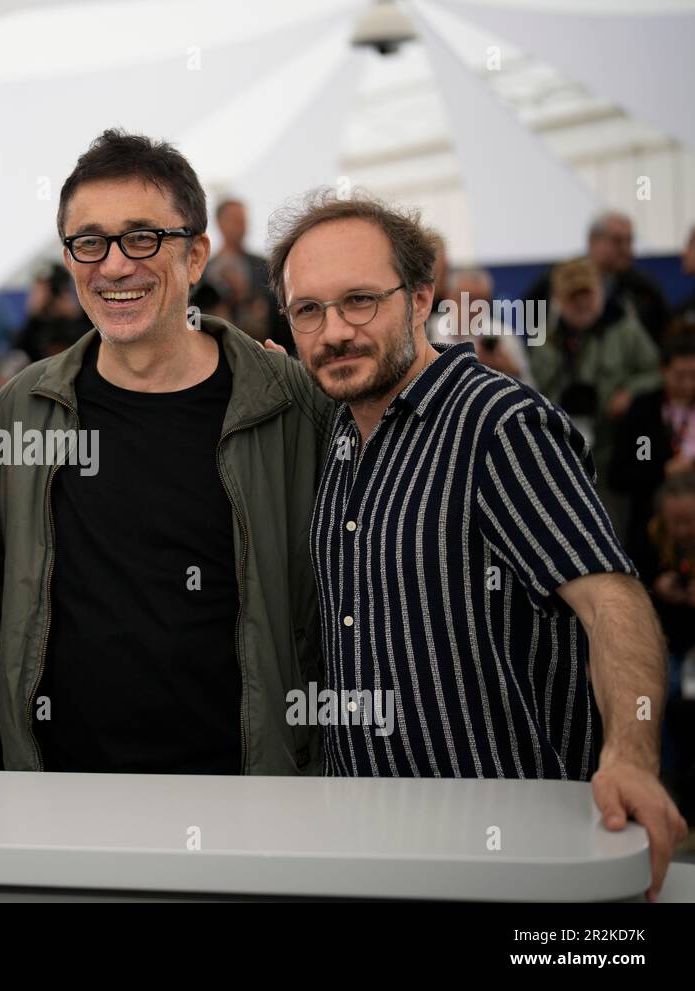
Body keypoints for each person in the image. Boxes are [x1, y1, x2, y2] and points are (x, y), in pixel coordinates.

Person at [267, 187, 686, 900]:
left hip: (512, 856)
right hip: (374, 847)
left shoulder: (499, 426)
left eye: (360, 300)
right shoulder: (341, 427)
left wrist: (633, 754)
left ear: (423, 295)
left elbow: (612, 598)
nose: (333, 330)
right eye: (310, 309)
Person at [0, 129, 332, 775]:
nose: (114, 265)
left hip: (246, 797)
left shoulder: (290, 404)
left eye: (143, 236)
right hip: (62, 794)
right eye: (89, 241)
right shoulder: (23, 410)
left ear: (197, 255)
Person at [529, 257, 660, 533]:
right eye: (572, 296)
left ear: (600, 292)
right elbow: (535, 388)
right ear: (558, 300)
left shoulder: (625, 329)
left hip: (614, 451)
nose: (581, 303)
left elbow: (656, 372)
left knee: (615, 531)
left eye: (586, 293)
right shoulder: (546, 339)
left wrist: (628, 392)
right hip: (565, 452)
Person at [633, 472, 695, 824]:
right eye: (676, 523)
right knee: (656, 696)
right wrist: (655, 589)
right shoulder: (647, 540)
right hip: (662, 643)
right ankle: (666, 779)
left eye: (689, 522)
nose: (683, 531)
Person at [610, 326, 695, 560]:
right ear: (663, 370)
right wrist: (662, 471)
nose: (688, 384)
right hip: (651, 534)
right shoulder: (643, 410)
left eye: (693, 375)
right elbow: (620, 475)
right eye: (680, 376)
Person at [524, 211, 669, 342]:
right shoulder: (560, 276)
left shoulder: (643, 288)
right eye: (617, 241)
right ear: (593, 241)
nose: (626, 249)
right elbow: (529, 309)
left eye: (629, 241)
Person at [202, 198, 292, 352]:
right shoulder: (204, 269)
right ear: (220, 223)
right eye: (236, 221)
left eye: (243, 221)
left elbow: (280, 310)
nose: (242, 227)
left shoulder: (263, 266)